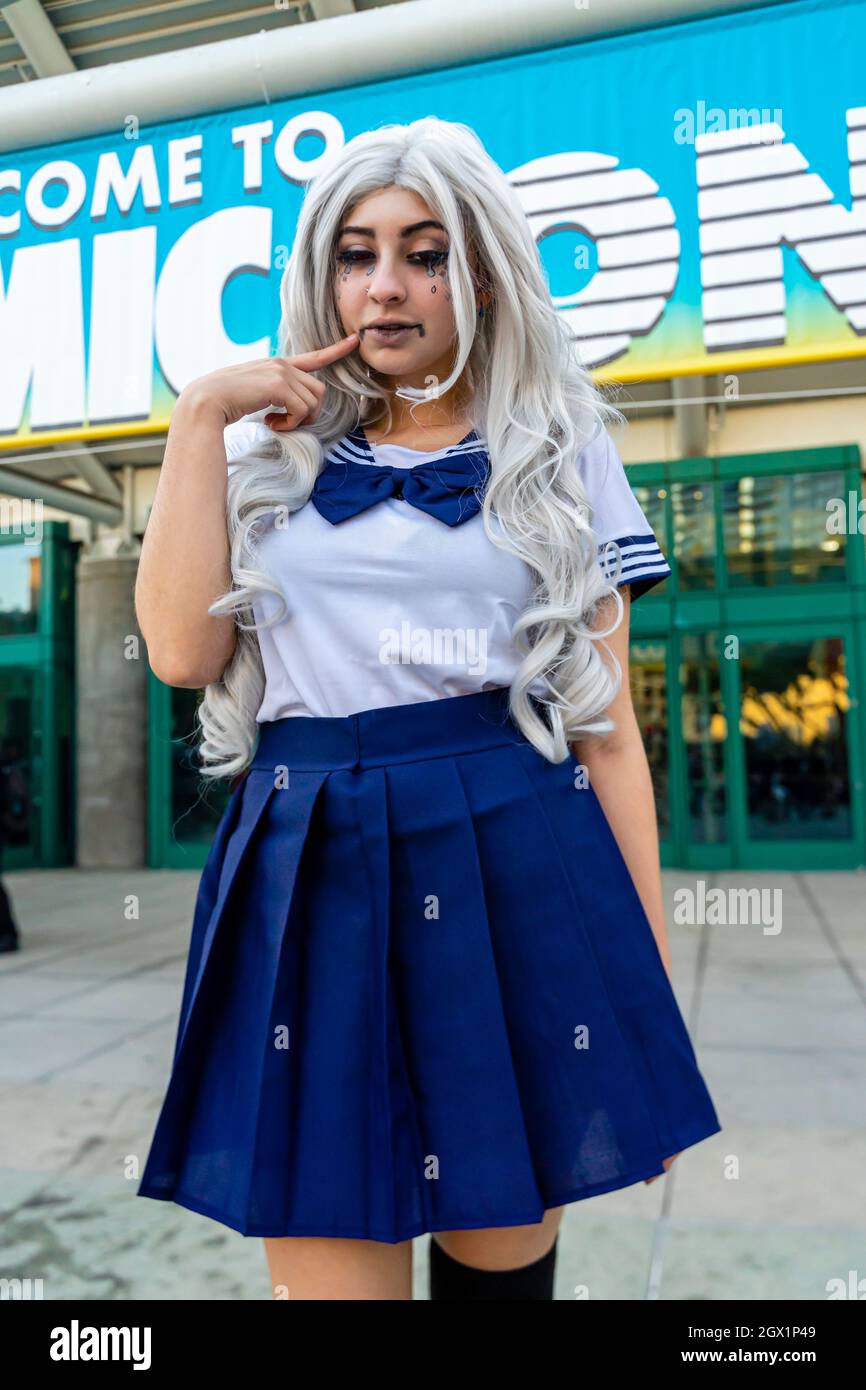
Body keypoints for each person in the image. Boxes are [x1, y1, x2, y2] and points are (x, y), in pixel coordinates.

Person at [134, 117, 722, 1301]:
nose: (388, 284)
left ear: (485, 273)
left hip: (515, 857)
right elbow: (182, 651)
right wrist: (199, 416)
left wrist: (640, 960)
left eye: (426, 251)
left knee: (499, 1277)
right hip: (306, 865)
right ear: (321, 273)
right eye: (357, 253)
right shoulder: (250, 443)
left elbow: (604, 731)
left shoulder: (557, 447)